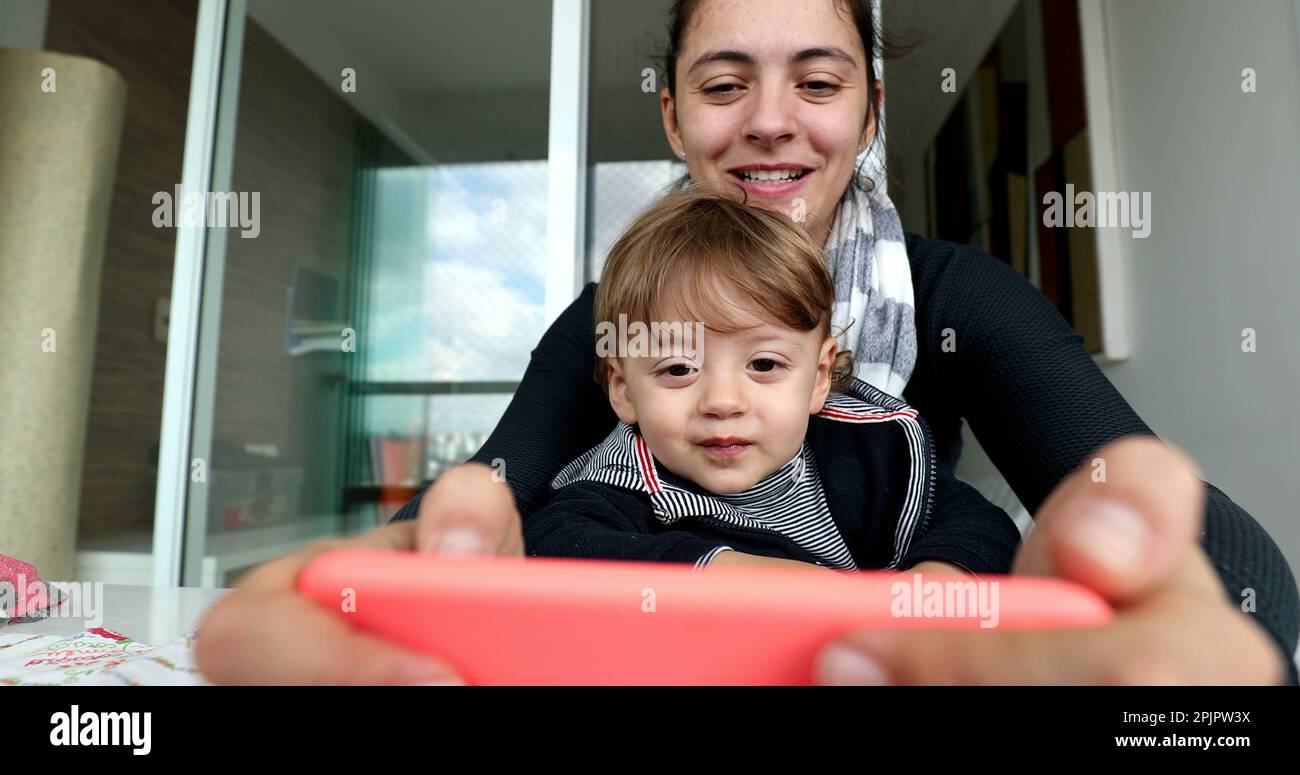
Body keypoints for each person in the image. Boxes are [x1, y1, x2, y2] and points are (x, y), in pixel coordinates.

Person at [195, 0, 1296, 685]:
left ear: (868, 115)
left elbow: (1237, 582)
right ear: (673, 117)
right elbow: (472, 526)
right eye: (724, 85)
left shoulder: (956, 311)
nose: (770, 119)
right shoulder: (601, 323)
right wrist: (380, 594)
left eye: (817, 82)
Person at [525, 187, 1020, 576]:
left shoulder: (872, 449)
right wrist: (735, 575)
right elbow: (553, 547)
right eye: (678, 369)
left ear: (819, 378)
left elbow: (979, 525)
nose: (722, 401)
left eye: (764, 365)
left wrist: (935, 579)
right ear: (624, 391)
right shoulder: (617, 490)